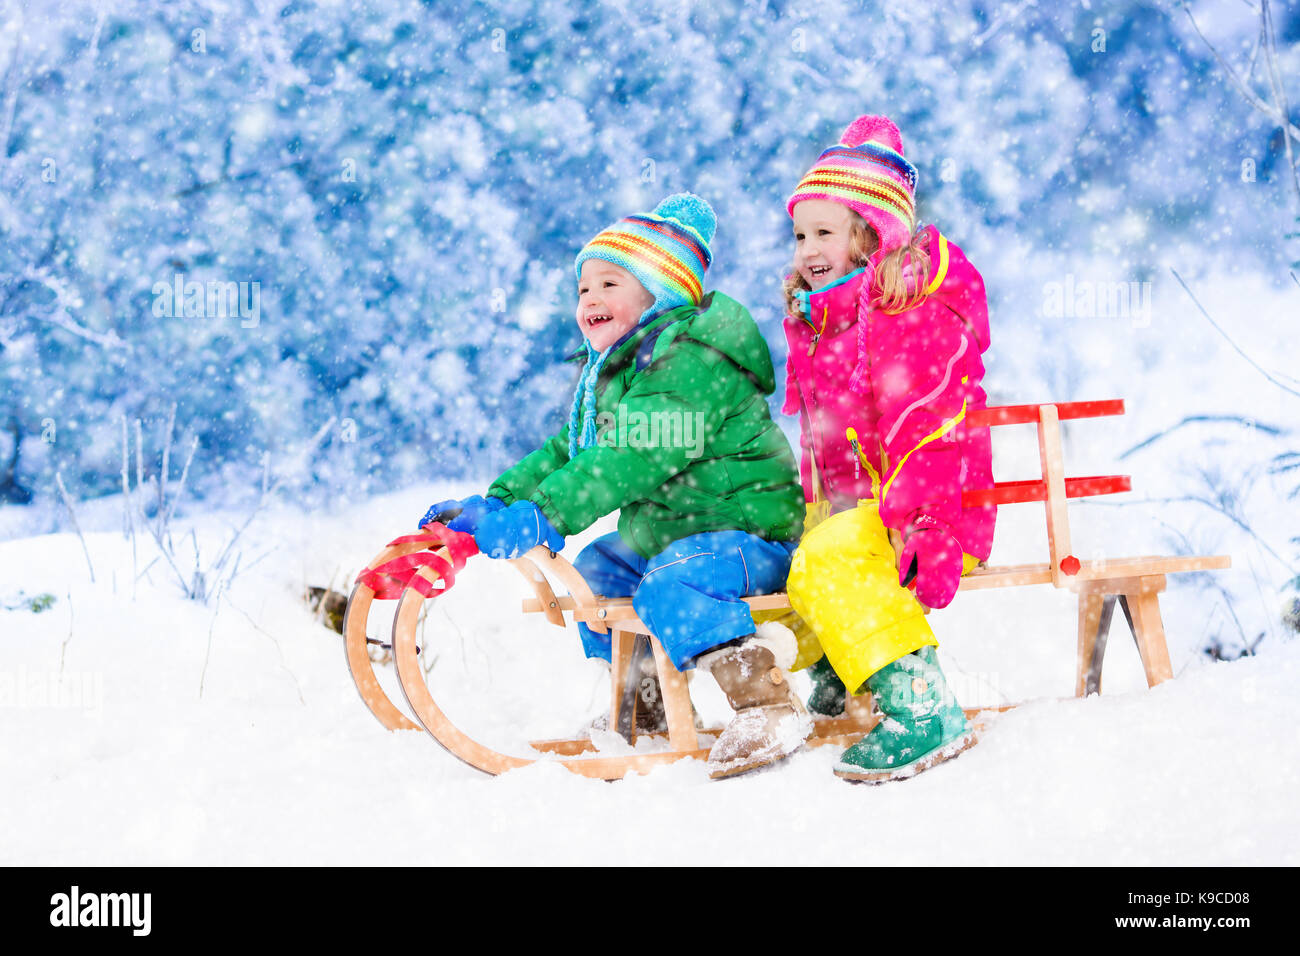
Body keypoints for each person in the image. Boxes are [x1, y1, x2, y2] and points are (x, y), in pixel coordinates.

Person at [421, 193, 809, 779]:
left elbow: (631, 455)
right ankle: (643, 706)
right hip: (675, 534)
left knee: (672, 585)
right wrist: (500, 501)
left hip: (746, 536)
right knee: (599, 574)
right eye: (583, 290)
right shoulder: (621, 372)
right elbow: (571, 450)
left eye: (609, 284)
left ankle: (766, 700)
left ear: (661, 291)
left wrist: (545, 515)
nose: (590, 300)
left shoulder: (692, 361)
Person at [780, 115, 997, 782]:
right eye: (799, 234)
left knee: (830, 554)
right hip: (871, 510)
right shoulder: (827, 319)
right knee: (799, 545)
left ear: (872, 233)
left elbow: (930, 429)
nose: (808, 248)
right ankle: (845, 676)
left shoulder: (905, 313)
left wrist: (928, 524)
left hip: (928, 510)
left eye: (825, 232)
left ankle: (922, 705)